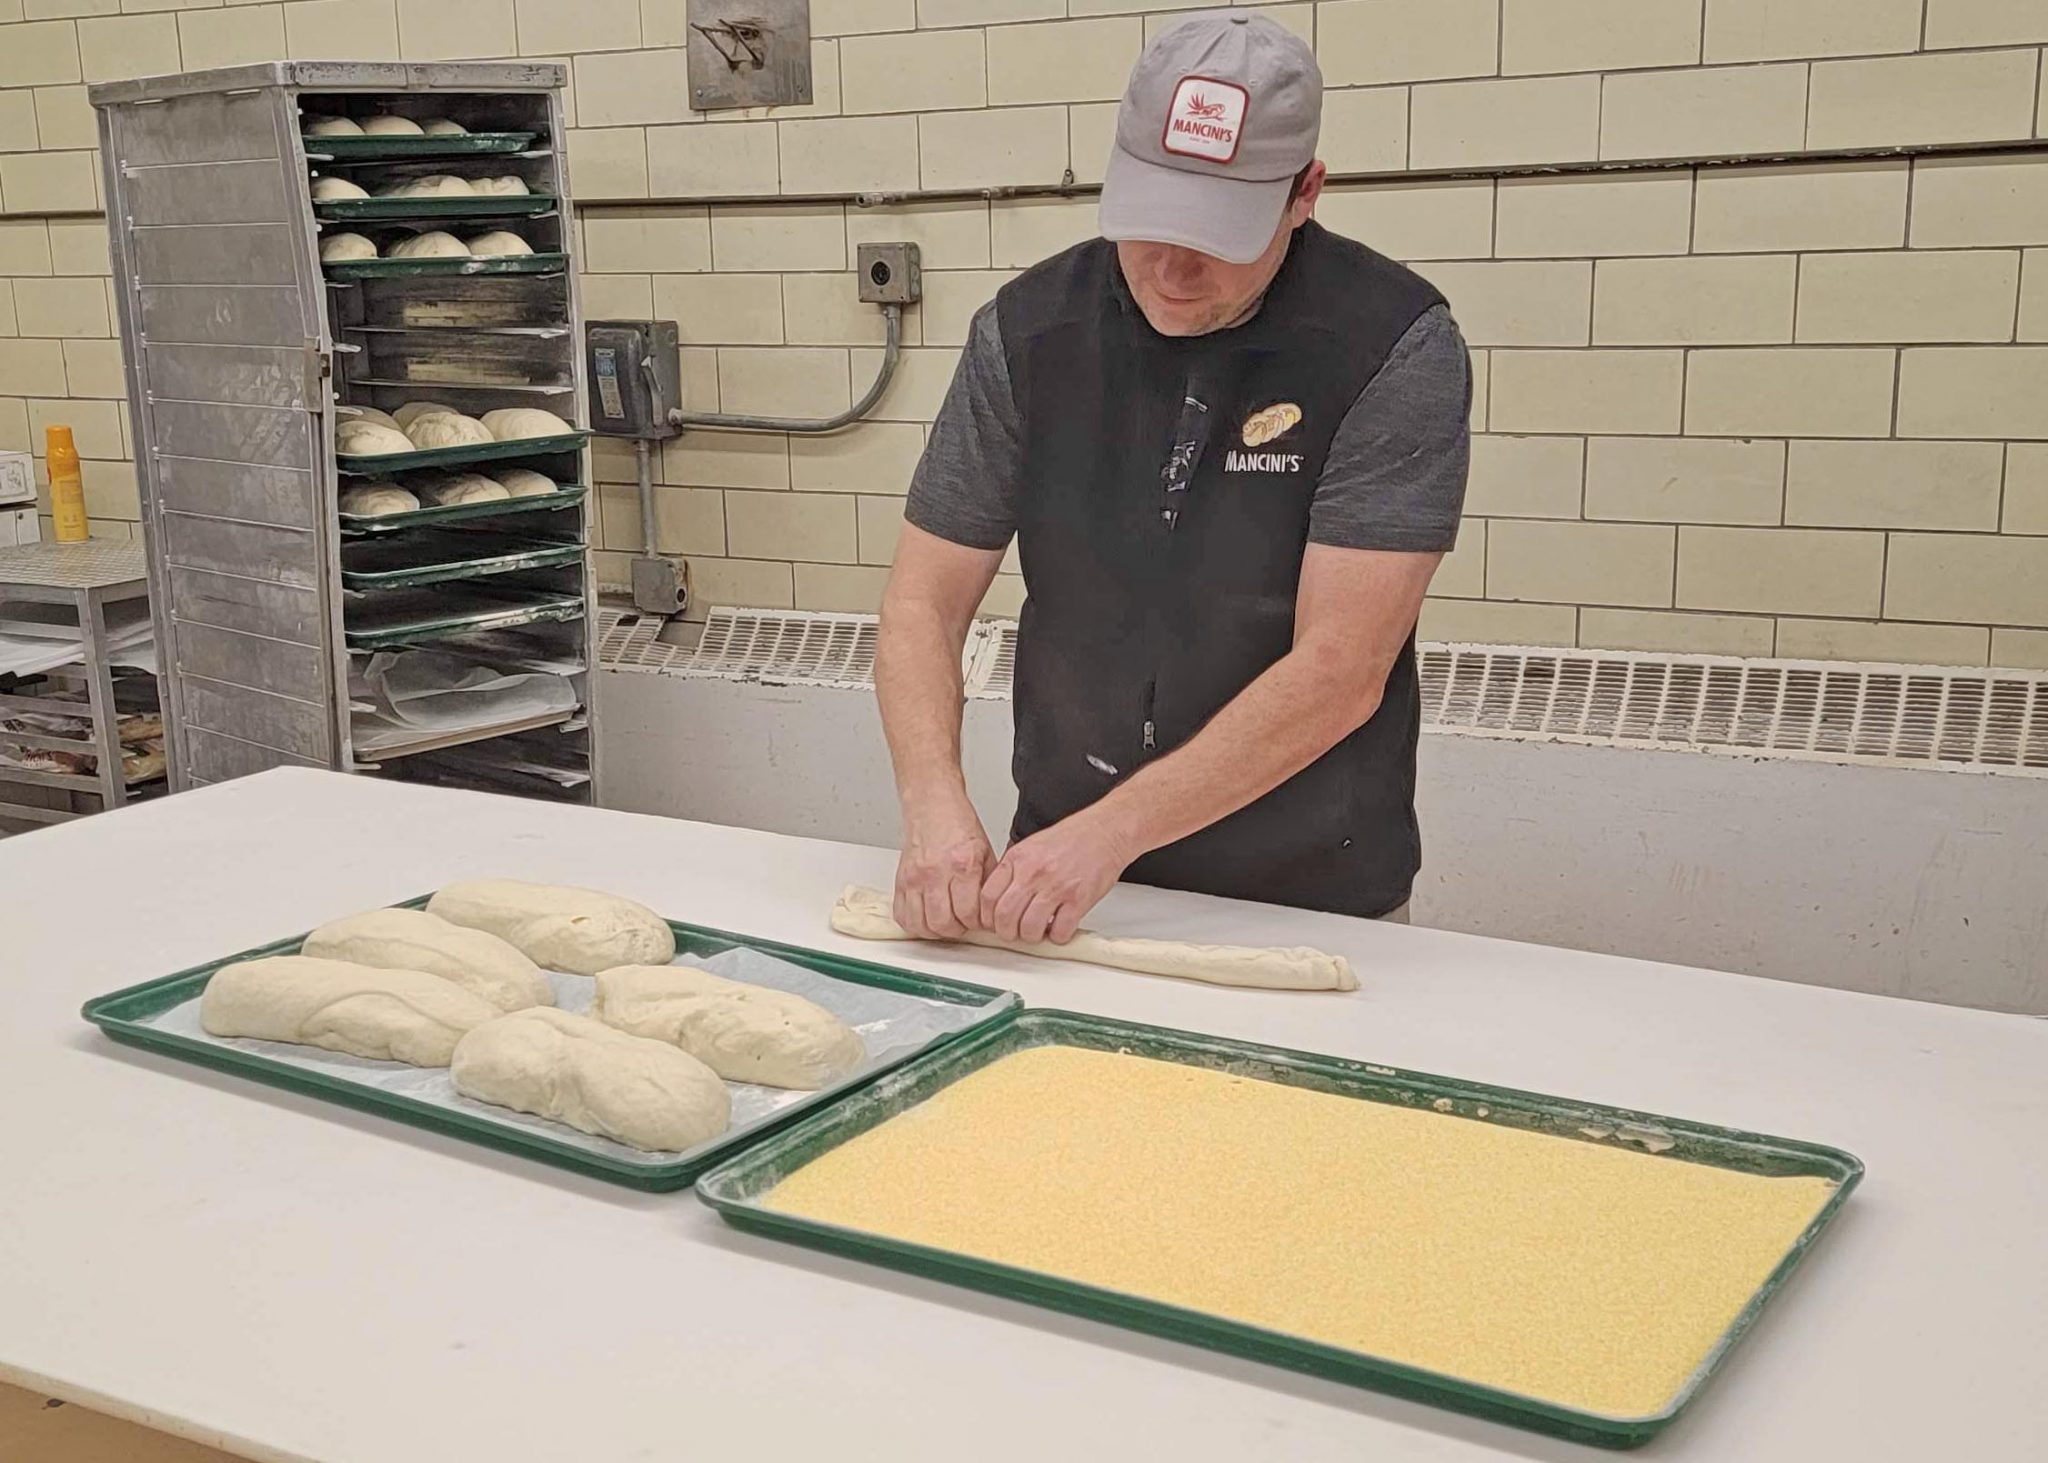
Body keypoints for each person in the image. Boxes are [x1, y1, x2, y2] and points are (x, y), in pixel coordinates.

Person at [876, 9, 1470, 947]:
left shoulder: (1388, 346)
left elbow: (1341, 670)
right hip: (1059, 864)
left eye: (1218, 234)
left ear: (1304, 191)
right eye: (1148, 222)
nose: (1173, 270)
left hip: (1310, 890)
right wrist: (934, 807)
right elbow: (924, 604)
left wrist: (1112, 833)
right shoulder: (1030, 335)